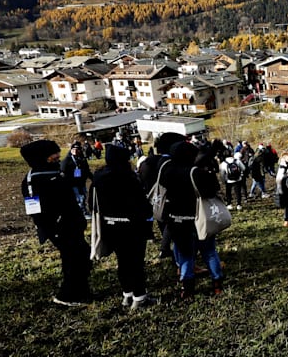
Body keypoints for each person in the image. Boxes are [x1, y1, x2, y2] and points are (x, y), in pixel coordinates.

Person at [20, 140, 92, 307]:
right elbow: (34, 210)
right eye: (54, 157)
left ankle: (82, 291)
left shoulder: (55, 172)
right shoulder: (33, 181)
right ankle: (67, 295)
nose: (58, 158)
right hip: (59, 228)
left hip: (73, 225)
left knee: (82, 257)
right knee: (74, 260)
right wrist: (51, 228)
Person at [89, 143, 157, 310]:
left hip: (110, 226)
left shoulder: (98, 178)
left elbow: (92, 203)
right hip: (132, 227)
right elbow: (141, 203)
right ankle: (139, 297)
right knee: (136, 263)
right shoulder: (129, 178)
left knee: (123, 262)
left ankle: (127, 294)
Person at [161, 141, 225, 298]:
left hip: (175, 220)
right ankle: (217, 284)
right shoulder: (196, 173)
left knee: (185, 255)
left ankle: (187, 289)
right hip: (197, 219)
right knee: (209, 252)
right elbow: (212, 191)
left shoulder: (166, 171)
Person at [138, 132, 186, 261]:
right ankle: (169, 251)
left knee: (163, 222)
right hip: (170, 198)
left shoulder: (147, 162)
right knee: (172, 224)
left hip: (154, 197)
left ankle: (167, 250)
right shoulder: (169, 163)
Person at [60, 142, 92, 216]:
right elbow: (62, 172)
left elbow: (87, 170)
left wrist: (93, 178)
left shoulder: (82, 159)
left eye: (77, 149)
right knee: (78, 199)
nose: (75, 151)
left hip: (81, 182)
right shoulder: (66, 160)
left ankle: (83, 211)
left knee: (83, 197)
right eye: (73, 149)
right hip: (73, 183)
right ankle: (82, 213)